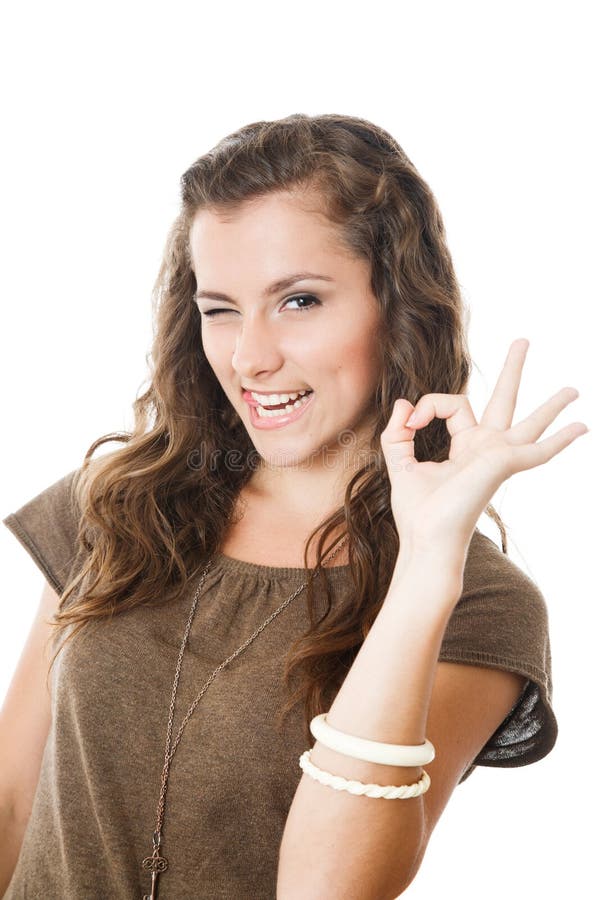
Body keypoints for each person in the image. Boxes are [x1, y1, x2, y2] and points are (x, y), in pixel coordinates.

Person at [0, 113, 587, 899]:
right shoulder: (118, 506)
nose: (249, 357)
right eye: (220, 308)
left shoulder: (478, 602)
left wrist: (425, 563)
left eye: (300, 301)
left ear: (397, 304)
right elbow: (11, 802)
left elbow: (330, 888)